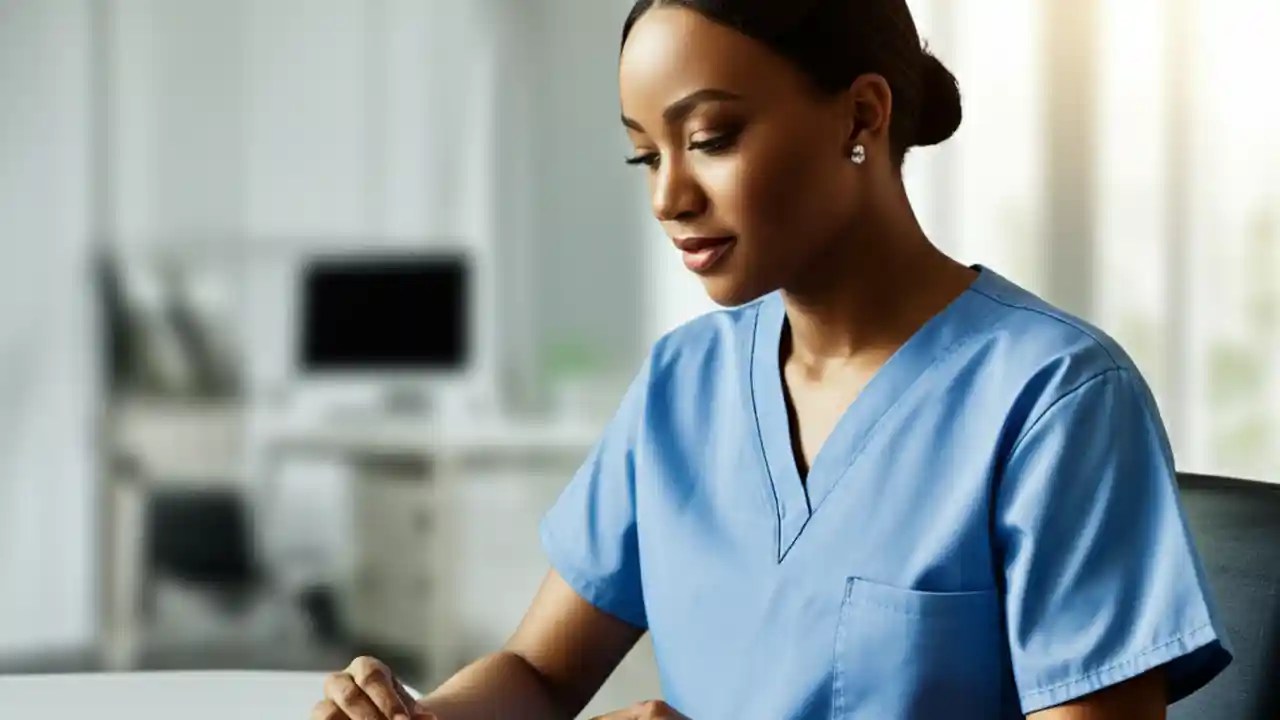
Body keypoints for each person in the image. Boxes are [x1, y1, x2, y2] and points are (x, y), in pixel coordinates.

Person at [311, 0, 1232, 718]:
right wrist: (417, 716)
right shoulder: (684, 385)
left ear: (860, 115)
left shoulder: (1053, 401)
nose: (670, 196)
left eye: (710, 138)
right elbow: (538, 676)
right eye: (645, 157)